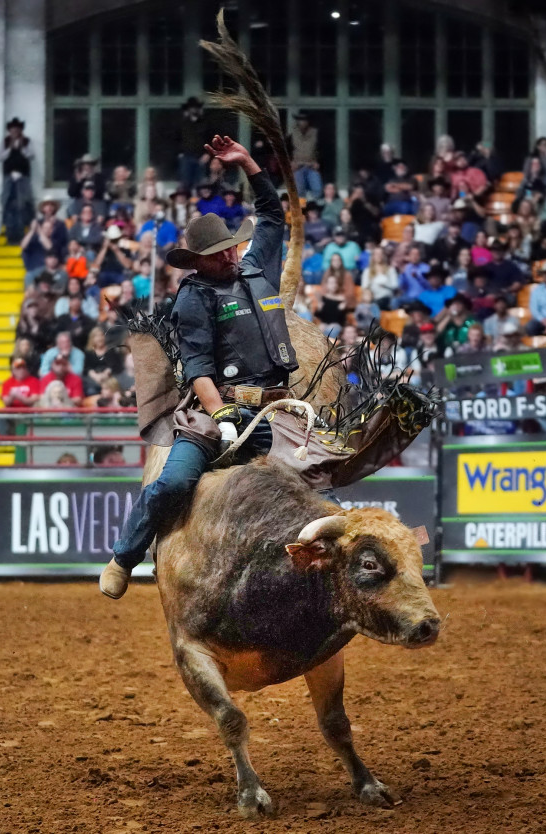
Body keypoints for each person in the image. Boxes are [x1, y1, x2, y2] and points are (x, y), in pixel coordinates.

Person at [101, 135, 293, 600]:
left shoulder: (257, 267)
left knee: (323, 480)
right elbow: (198, 367)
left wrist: (248, 162)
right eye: (219, 253)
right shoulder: (193, 298)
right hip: (218, 410)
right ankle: (124, 556)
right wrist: (223, 419)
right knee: (174, 483)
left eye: (231, 247)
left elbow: (270, 215)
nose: (229, 255)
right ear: (198, 261)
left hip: (279, 409)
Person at [0, 117, 36, 244]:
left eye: (17, 129)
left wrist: (22, 147)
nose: (14, 131)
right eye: (12, 129)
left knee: (23, 204)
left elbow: (31, 155)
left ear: (20, 130)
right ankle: (9, 232)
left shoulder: (26, 141)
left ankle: (22, 233)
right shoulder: (5, 141)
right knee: (8, 202)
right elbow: (0, 157)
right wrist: (10, 147)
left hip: (23, 177)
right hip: (9, 176)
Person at [289, 112, 322, 200]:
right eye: (300, 120)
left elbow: (323, 149)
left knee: (317, 190)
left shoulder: (316, 133)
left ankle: (314, 209)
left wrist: (319, 163)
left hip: (311, 166)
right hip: (298, 167)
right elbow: (286, 150)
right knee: (299, 192)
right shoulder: (293, 134)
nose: (302, 122)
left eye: (304, 120)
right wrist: (290, 163)